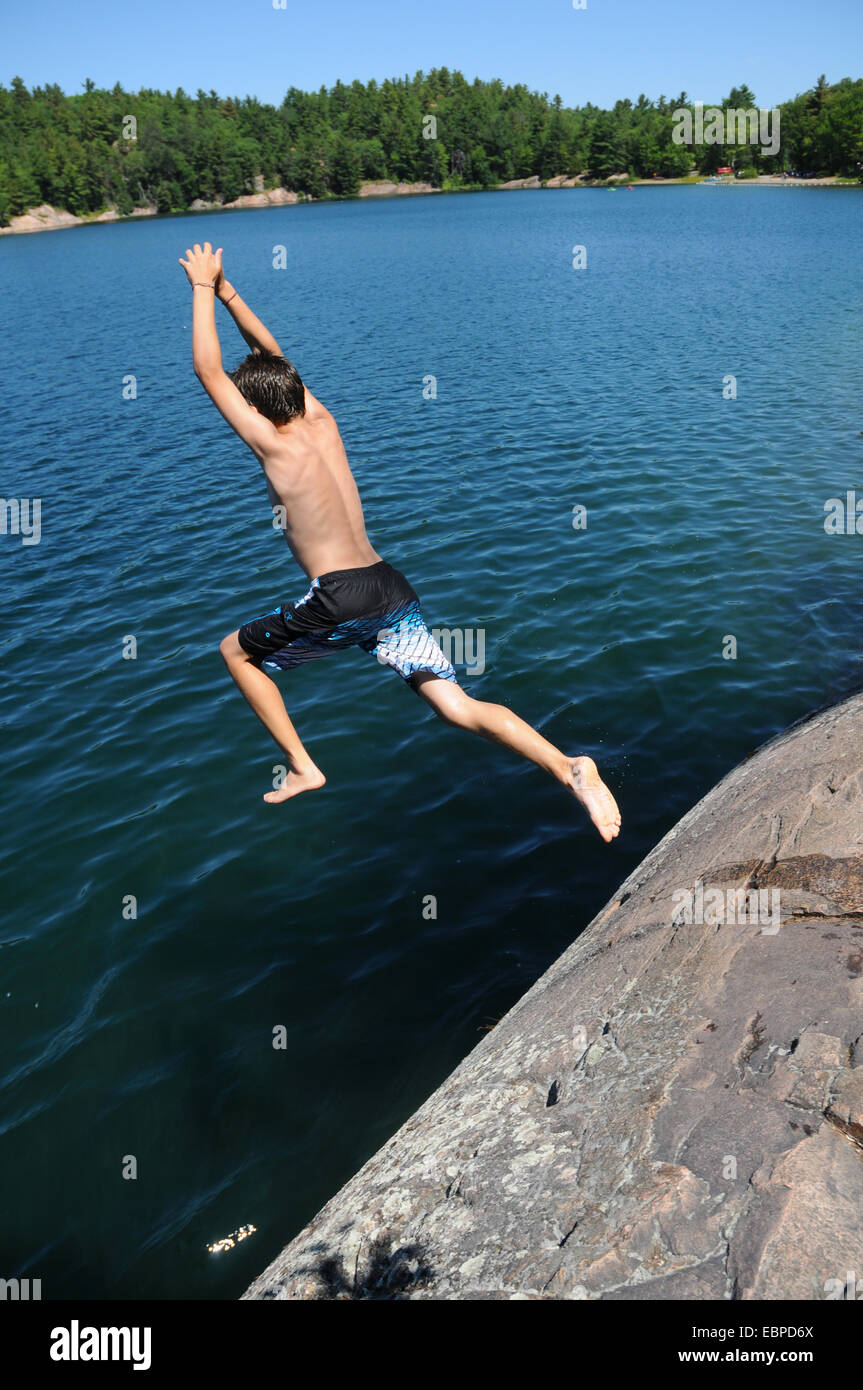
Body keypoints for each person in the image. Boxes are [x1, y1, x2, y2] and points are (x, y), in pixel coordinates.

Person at [178, 242, 621, 841]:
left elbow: (208, 370)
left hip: (341, 597)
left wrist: (202, 288)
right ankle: (569, 768)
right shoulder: (319, 420)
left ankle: (305, 767)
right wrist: (229, 291)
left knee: (235, 652)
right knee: (457, 707)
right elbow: (275, 358)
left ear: (255, 408)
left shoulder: (273, 445)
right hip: (390, 586)